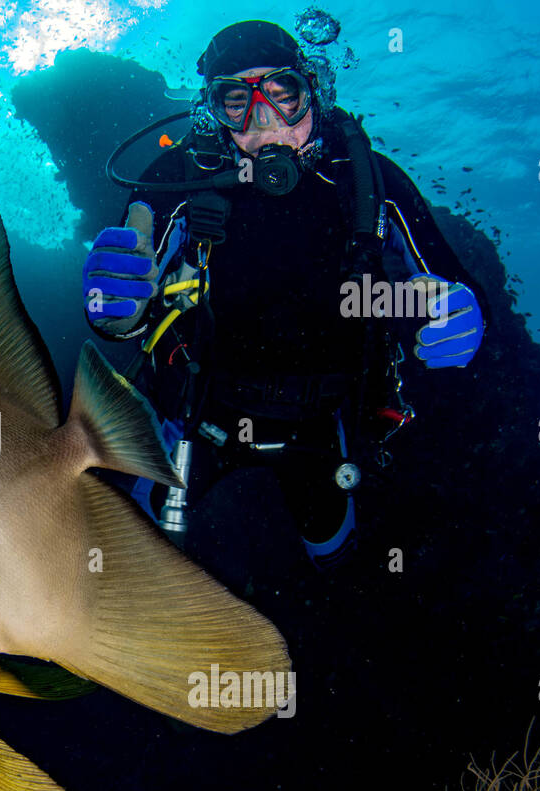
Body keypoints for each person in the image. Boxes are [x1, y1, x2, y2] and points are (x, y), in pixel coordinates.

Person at [83, 20, 486, 570]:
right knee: (125, 554)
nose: (265, 123)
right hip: (201, 409)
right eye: (237, 101)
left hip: (320, 422)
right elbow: (131, 272)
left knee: (336, 561)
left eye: (282, 95)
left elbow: (448, 282)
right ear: (214, 114)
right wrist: (115, 309)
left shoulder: (367, 180)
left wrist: (458, 313)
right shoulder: (181, 175)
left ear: (312, 94)